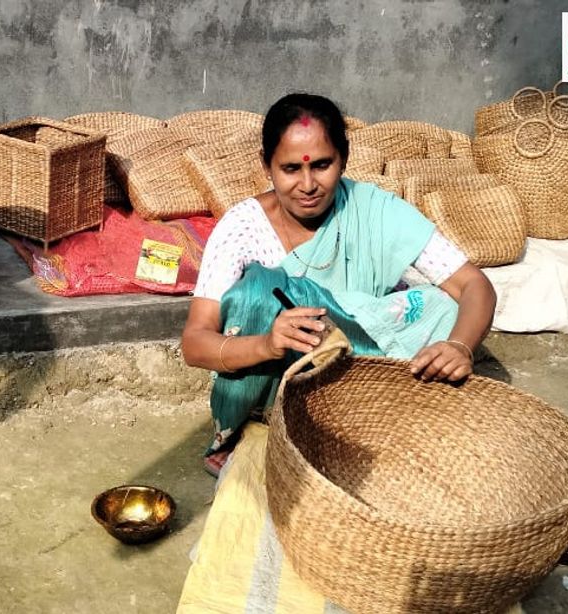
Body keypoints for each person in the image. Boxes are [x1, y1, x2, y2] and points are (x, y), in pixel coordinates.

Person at [180, 93, 497, 476]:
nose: (308, 184)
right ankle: (259, 432)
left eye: (323, 166)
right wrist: (268, 342)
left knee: (444, 309)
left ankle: (371, 415)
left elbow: (473, 284)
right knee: (258, 294)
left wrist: (460, 346)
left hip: (358, 361)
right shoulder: (242, 227)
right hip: (278, 377)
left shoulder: (372, 208)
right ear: (267, 166)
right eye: (290, 169)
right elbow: (195, 344)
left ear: (343, 159)